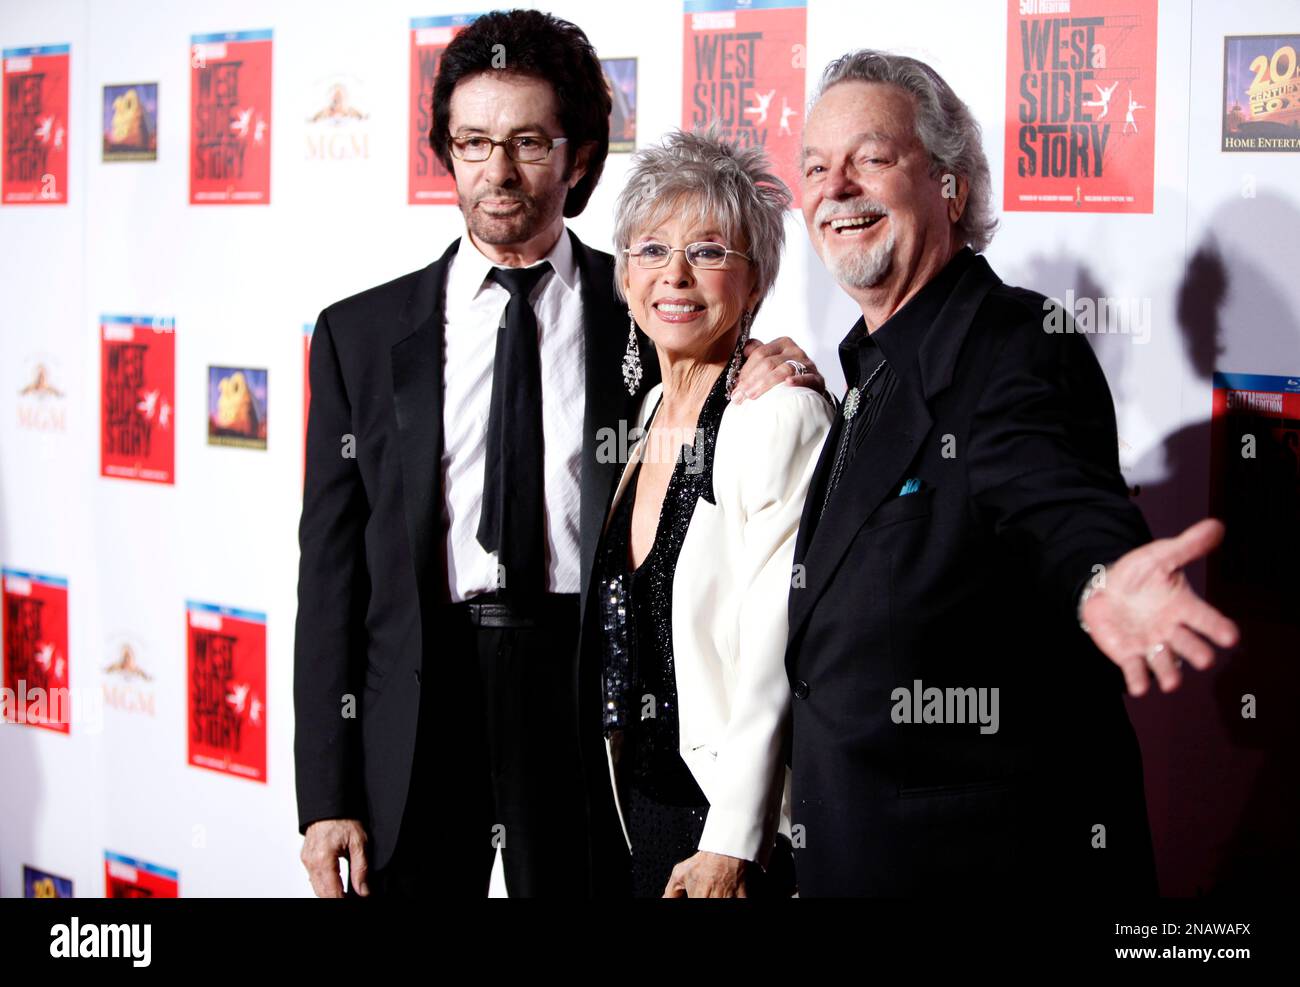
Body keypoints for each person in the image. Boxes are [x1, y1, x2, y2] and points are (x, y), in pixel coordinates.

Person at [293, 9, 823, 899]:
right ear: (447, 153)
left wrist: (769, 357)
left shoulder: (645, 308)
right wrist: (326, 791)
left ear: (578, 158)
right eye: (472, 143)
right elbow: (330, 573)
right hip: (417, 706)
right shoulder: (360, 333)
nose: (497, 172)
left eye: (529, 142)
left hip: (584, 697)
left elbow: (711, 392)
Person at [787, 50, 1240, 896]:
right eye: (816, 166)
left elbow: (1053, 497)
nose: (836, 188)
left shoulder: (1013, 346)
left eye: (871, 158)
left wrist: (1100, 576)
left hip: (984, 865)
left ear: (950, 184)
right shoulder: (868, 369)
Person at [586, 127, 832, 898]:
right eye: (652, 250)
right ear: (625, 274)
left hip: (730, 823)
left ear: (755, 281)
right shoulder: (651, 407)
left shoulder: (777, 414)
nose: (676, 275)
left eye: (711, 251)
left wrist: (734, 840)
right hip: (639, 811)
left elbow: (775, 653)